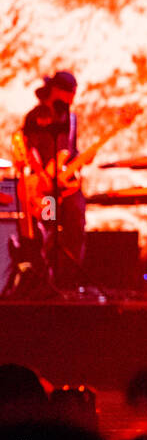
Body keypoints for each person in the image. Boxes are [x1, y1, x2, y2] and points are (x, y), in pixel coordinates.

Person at [15, 71, 86, 282]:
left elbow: (72, 149)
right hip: (44, 185)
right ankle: (45, 280)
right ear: (55, 91)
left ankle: (70, 280)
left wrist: (80, 161)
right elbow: (30, 149)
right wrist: (41, 175)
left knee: (76, 225)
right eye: (67, 92)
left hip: (66, 185)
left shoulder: (72, 119)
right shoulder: (35, 116)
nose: (71, 98)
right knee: (48, 228)